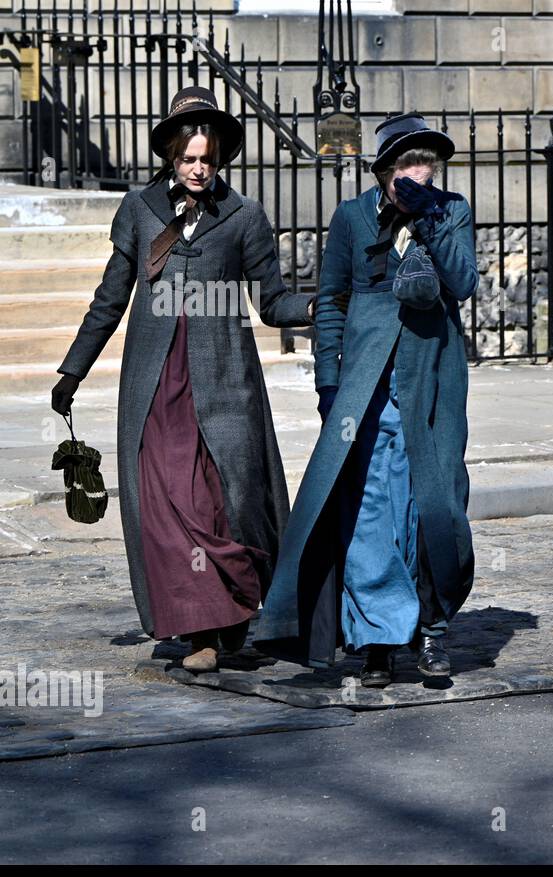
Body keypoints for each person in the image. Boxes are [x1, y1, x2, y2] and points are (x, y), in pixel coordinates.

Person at [49, 87, 315, 672]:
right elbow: (110, 298)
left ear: (220, 161)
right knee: (167, 504)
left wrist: (318, 311)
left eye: (209, 160)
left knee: (225, 499)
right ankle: (199, 630)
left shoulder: (244, 216)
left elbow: (271, 302)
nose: (199, 169)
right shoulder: (140, 211)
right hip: (154, 384)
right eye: (190, 158)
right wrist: (73, 368)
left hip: (222, 381)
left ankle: (236, 613)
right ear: (172, 154)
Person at [259, 112, 478, 689]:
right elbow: (331, 301)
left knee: (438, 504)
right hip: (366, 381)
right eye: (406, 164)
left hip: (433, 375)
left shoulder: (450, 210)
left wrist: (428, 219)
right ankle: (378, 639)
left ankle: (432, 627)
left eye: (426, 164)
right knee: (371, 509)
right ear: (382, 171)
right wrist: (328, 383)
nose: (417, 173)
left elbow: (463, 283)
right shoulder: (353, 218)